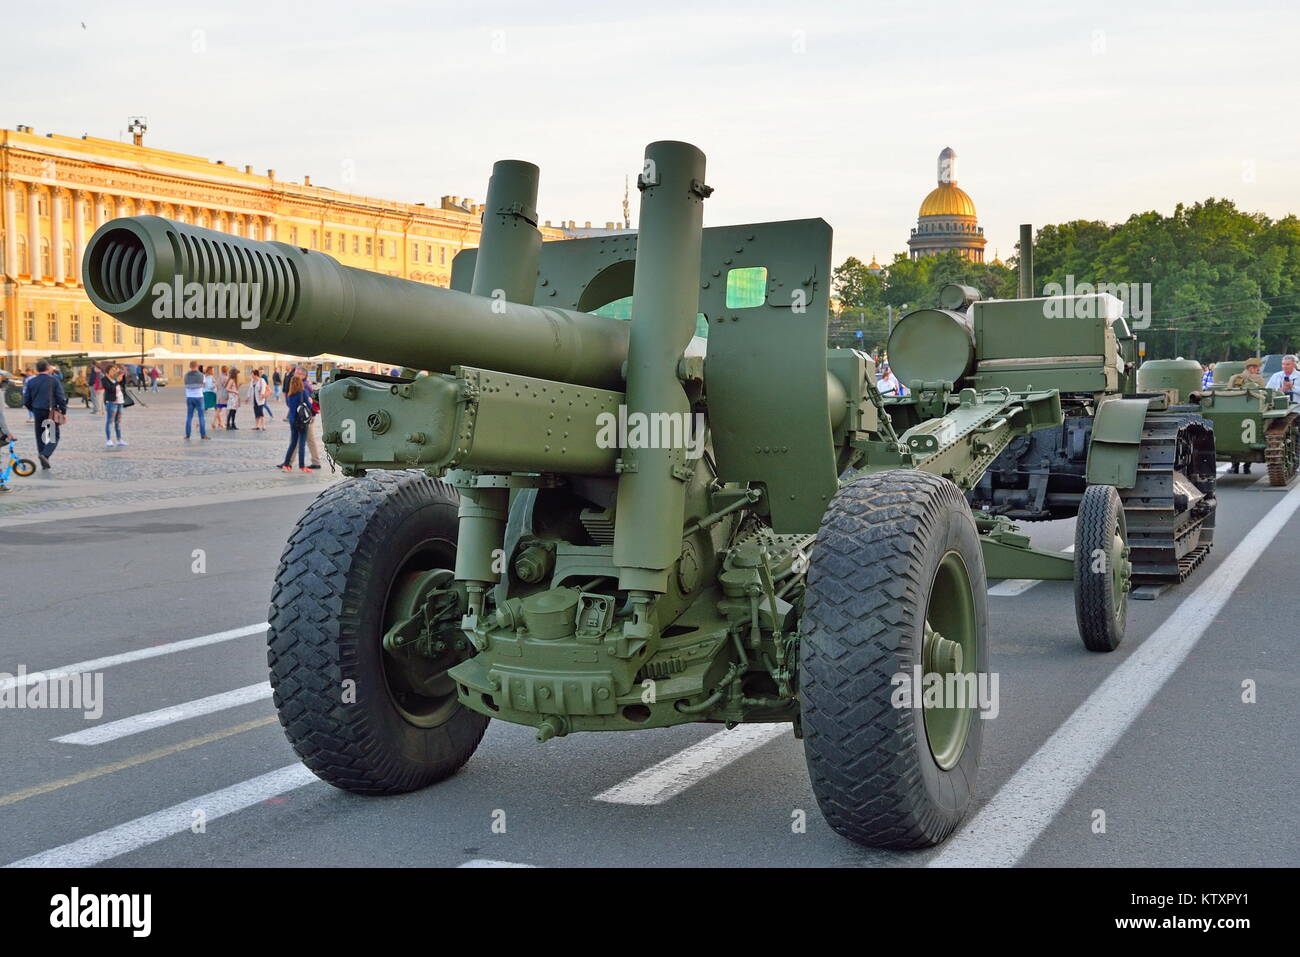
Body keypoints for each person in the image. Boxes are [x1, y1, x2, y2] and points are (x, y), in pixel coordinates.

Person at [21, 359, 67, 469]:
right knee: (53, 436)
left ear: (37, 369)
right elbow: (61, 398)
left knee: (40, 436)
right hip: (49, 412)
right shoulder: (54, 380)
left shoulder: (31, 381)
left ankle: (43, 462)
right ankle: (45, 455)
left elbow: (26, 399)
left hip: (37, 411)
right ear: (47, 368)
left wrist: (33, 409)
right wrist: (63, 411)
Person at [279, 374, 311, 472]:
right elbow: (309, 405)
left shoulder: (289, 395)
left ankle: (286, 464)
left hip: (292, 421)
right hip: (302, 421)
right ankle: (302, 466)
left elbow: (289, 406)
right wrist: (310, 401)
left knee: (293, 443)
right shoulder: (302, 393)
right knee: (301, 443)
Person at [298, 367, 323, 469]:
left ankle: (316, 461)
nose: (295, 375)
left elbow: (309, 402)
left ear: (303, 375)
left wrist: (309, 416)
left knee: (310, 439)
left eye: (297, 373)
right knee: (297, 439)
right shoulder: (303, 385)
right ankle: (288, 462)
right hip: (305, 416)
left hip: (307, 417)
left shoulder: (305, 386)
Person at [101, 364, 128, 447]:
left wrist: (122, 377)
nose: (113, 372)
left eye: (115, 370)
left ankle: (119, 439)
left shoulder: (116, 379)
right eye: (112, 370)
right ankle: (109, 440)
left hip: (120, 402)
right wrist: (117, 381)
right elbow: (110, 389)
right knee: (110, 421)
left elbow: (123, 385)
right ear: (108, 371)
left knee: (118, 422)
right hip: (111, 403)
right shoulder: (104, 379)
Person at [183, 360, 210, 440]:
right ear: (197, 366)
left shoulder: (186, 375)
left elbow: (186, 384)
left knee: (189, 416)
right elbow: (204, 385)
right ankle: (203, 435)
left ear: (190, 366)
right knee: (201, 416)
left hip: (189, 397)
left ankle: (187, 435)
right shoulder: (201, 375)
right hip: (199, 397)